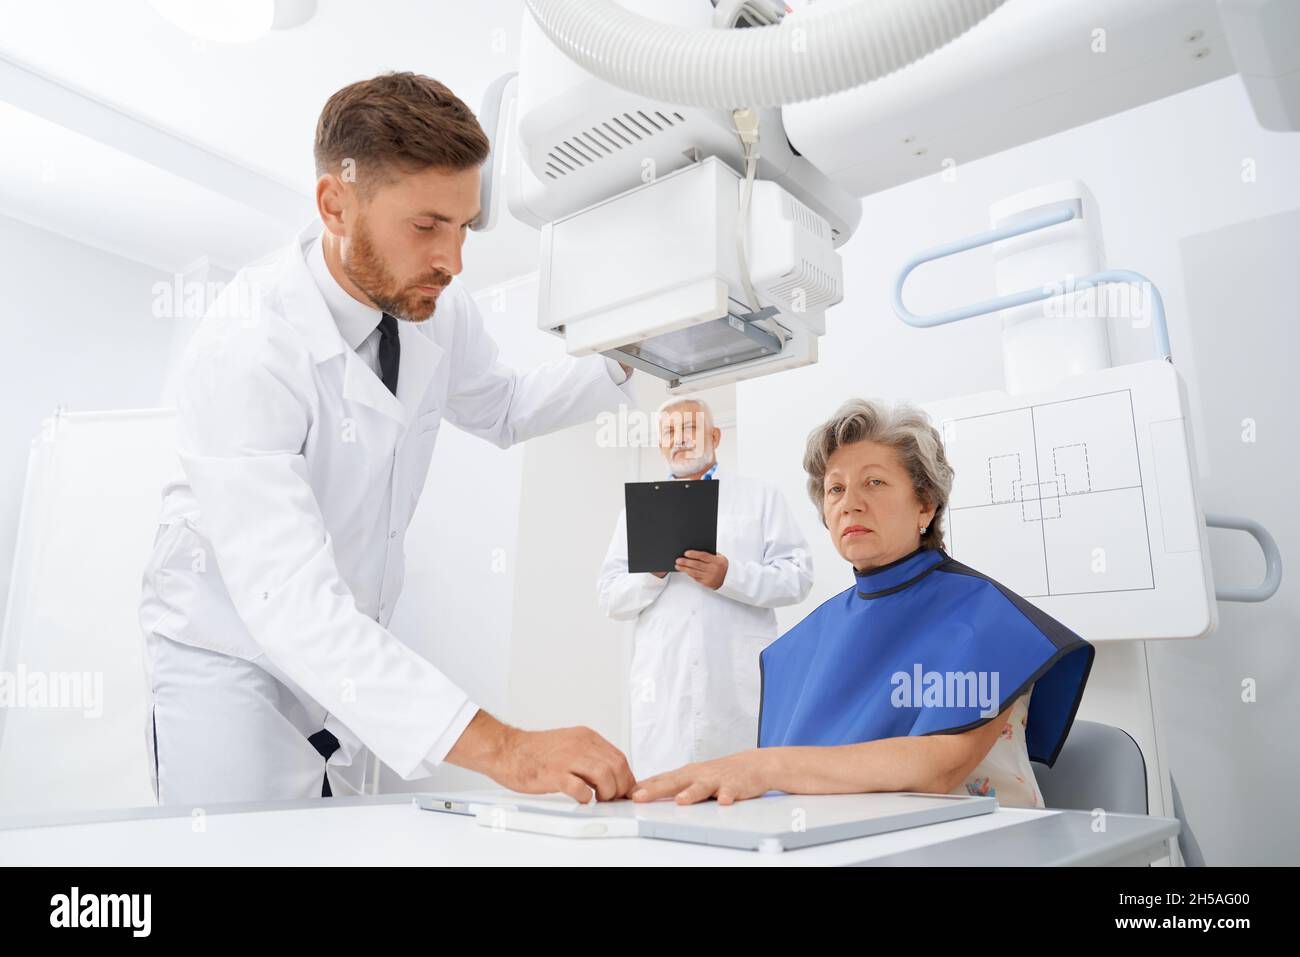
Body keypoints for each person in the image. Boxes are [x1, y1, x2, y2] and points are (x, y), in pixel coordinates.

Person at [139, 72, 637, 806]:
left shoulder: (437, 308)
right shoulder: (249, 344)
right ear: (335, 204)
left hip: (337, 657)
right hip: (226, 651)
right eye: (427, 225)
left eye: (464, 227)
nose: (454, 261)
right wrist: (507, 748)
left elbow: (501, 407)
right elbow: (290, 603)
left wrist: (632, 353)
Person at [631, 398, 1094, 808]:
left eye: (874, 483)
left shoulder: (985, 618)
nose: (849, 503)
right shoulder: (806, 643)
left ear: (925, 506)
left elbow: (936, 768)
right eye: (835, 489)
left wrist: (762, 767)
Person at [597, 397, 813, 779]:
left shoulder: (760, 497)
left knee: (741, 797)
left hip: (734, 687)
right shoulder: (637, 513)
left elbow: (798, 577)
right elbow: (611, 598)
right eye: (668, 432)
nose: (679, 439)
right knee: (665, 802)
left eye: (690, 429)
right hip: (664, 690)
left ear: (714, 436)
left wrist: (729, 576)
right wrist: (652, 573)